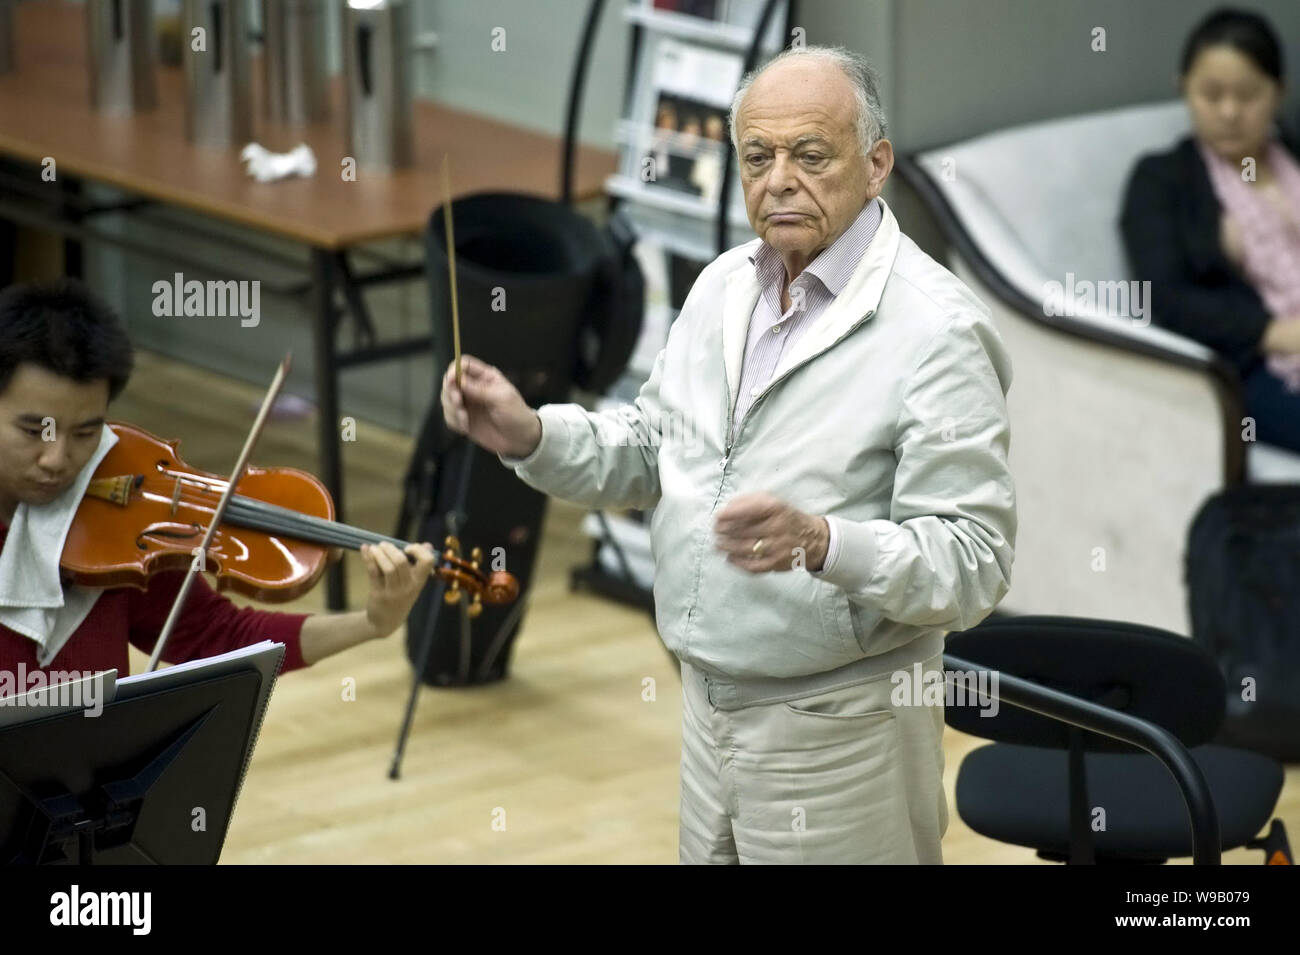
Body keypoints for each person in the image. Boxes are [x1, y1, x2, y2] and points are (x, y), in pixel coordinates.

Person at [442, 45, 1016, 864]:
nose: (779, 178)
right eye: (758, 156)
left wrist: (824, 540)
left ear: (877, 163)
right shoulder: (722, 286)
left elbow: (974, 559)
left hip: (842, 732)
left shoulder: (937, 333)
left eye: (810, 155)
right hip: (705, 707)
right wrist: (529, 433)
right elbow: (651, 449)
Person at [0, 279, 436, 688]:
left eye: (84, 434)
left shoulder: (120, 523)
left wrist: (371, 624)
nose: (57, 460)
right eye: (34, 431)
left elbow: (218, 635)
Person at [1121, 7, 1300, 452]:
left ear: (1278, 93)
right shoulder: (1163, 179)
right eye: (1211, 94)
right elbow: (1164, 295)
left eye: (1248, 95)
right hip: (1255, 366)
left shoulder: (1293, 156)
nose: (1229, 111)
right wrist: (1274, 331)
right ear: (1184, 88)